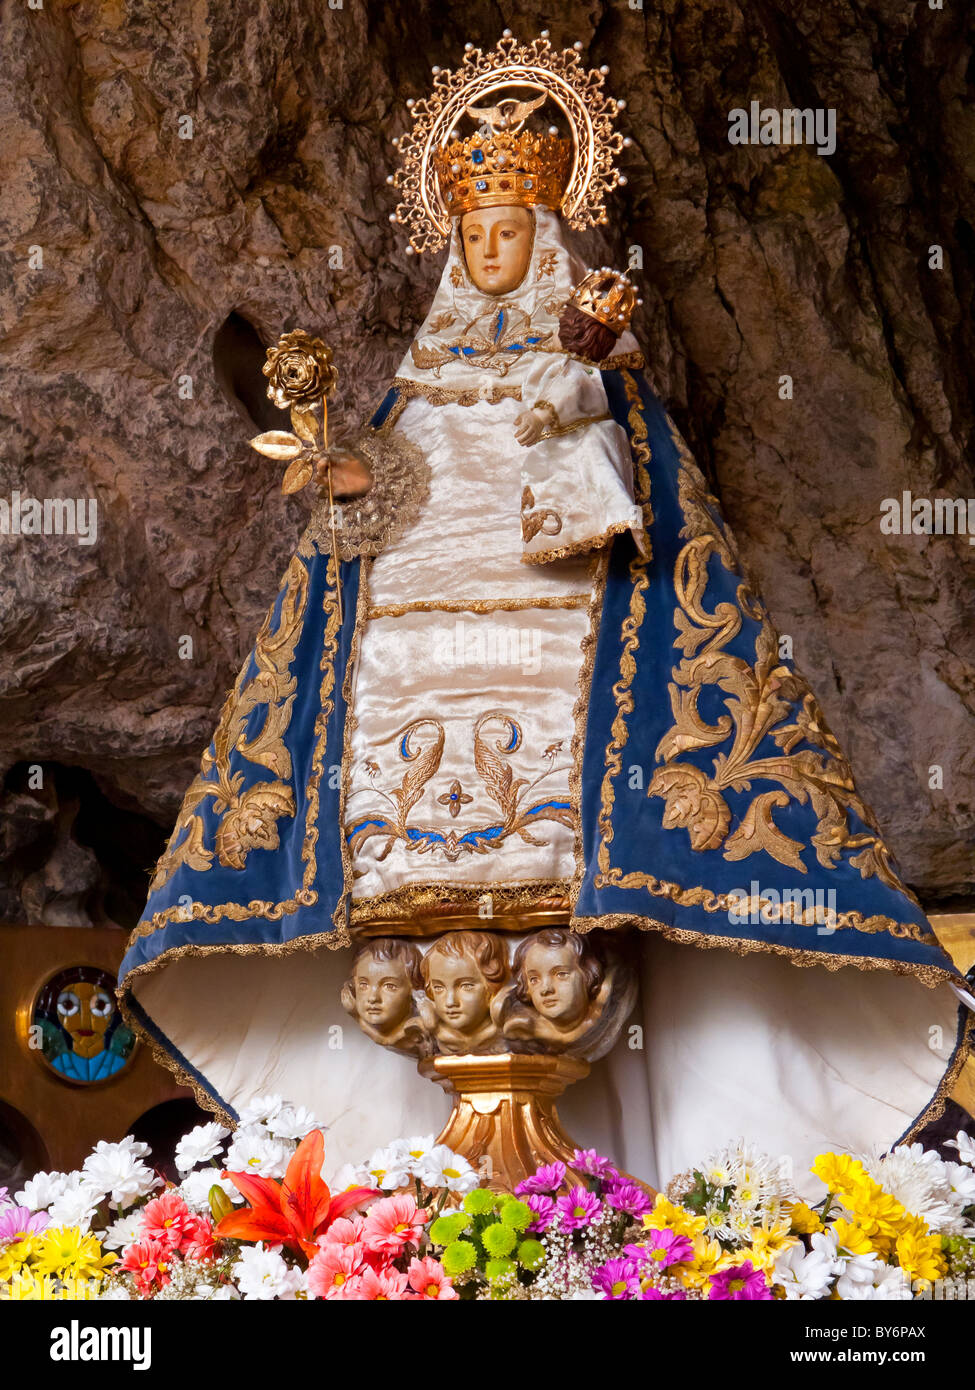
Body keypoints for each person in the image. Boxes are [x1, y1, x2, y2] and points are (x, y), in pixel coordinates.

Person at [119, 35, 973, 1193]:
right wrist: (344, 475)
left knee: (574, 938)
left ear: (547, 234)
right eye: (471, 234)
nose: (488, 248)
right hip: (413, 736)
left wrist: (578, 380)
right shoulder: (411, 392)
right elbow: (372, 537)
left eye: (510, 230)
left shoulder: (595, 382)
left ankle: (627, 1175)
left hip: (563, 698)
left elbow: (647, 548)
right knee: (429, 933)